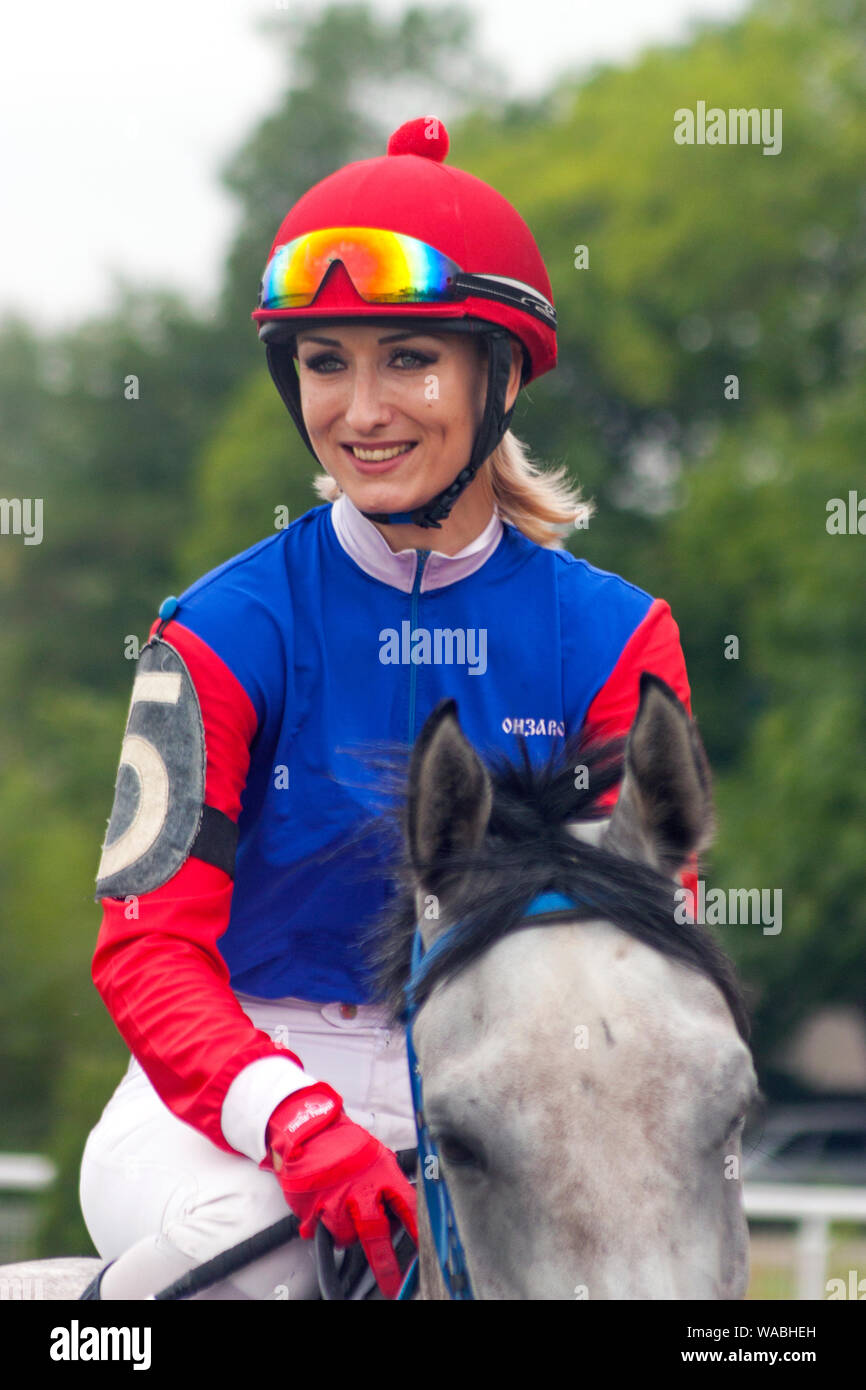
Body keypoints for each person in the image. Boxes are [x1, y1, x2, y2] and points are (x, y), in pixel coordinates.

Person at [78, 116, 696, 1300]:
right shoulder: (215, 630)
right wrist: (295, 1121)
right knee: (263, 1254)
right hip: (224, 1107)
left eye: (407, 356)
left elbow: (642, 946)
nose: (361, 409)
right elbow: (147, 948)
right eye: (325, 362)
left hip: (494, 1094)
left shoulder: (620, 639)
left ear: (496, 375)